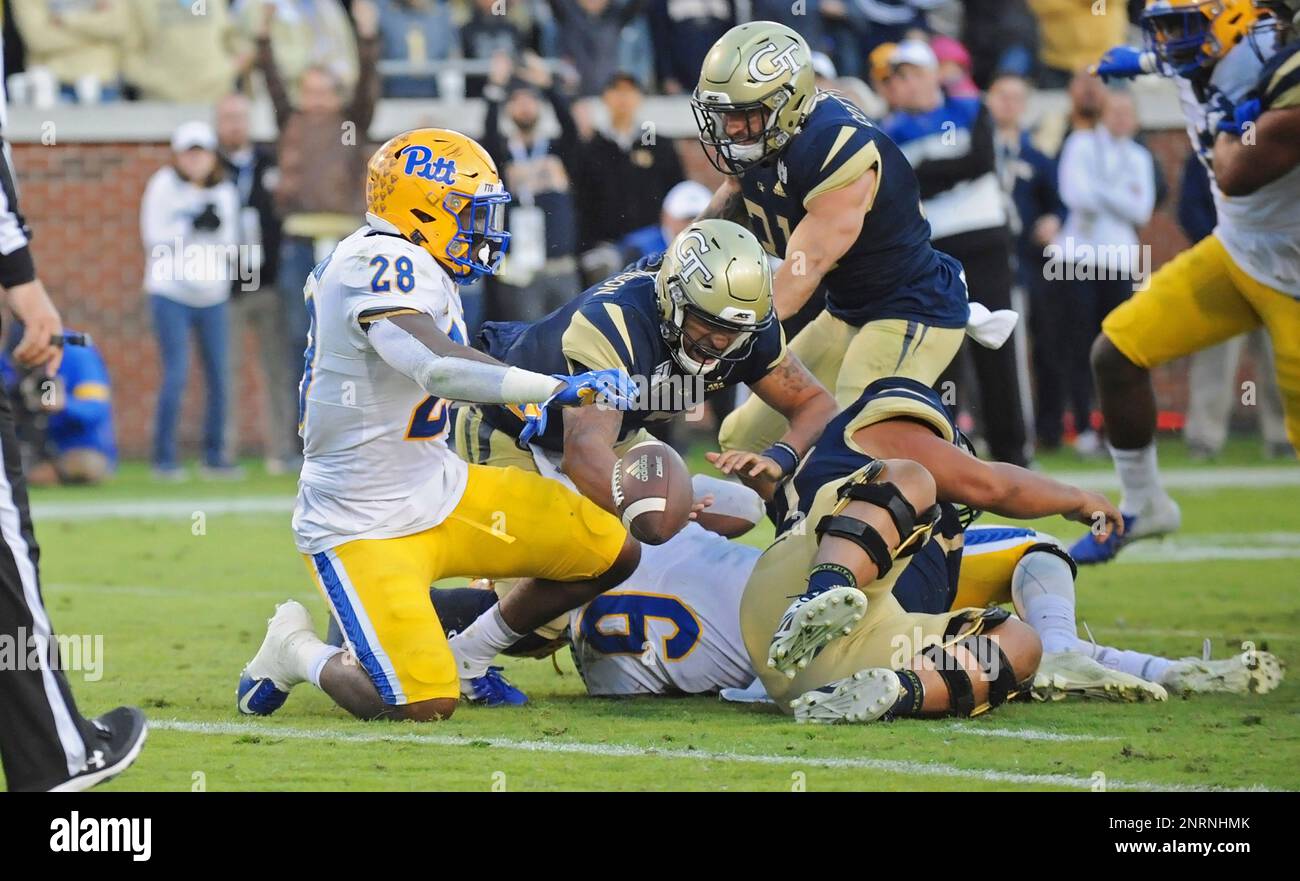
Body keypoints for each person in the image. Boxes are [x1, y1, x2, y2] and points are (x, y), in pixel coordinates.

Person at [236, 128, 644, 721]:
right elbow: (439, 369)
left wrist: (523, 408)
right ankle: (295, 649)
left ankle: (472, 656)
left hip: (444, 491)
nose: (483, 227)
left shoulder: (423, 263)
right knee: (421, 703)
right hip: (361, 522)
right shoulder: (375, 260)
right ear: (418, 209)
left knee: (609, 550)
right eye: (466, 211)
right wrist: (554, 391)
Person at [691, 23, 975, 465]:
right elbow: (726, 207)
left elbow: (803, 270)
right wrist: (672, 273)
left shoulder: (834, 147)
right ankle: (800, 525)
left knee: (858, 434)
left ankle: (943, 508)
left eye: (743, 113)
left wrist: (724, 332)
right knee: (744, 437)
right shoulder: (765, 136)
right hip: (847, 312)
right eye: (722, 113)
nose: (729, 127)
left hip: (911, 307)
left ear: (786, 104)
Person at [1079, 0, 1300, 563]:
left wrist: (1241, 118)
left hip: (1293, 278)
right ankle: (1145, 501)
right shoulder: (1213, 50)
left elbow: (1234, 171)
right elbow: (1199, 59)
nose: (1169, 42)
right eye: (1161, 29)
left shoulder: (1282, 73)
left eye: (1182, 27)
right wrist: (1150, 63)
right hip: (1237, 252)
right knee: (1117, 352)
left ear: (1232, 20)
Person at [454, 220, 837, 516]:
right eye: (709, 324)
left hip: (616, 435)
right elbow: (583, 450)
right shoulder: (617, 322)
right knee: (577, 565)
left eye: (735, 330)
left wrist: (781, 456)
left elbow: (814, 402)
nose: (721, 342)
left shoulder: (750, 329)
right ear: (672, 299)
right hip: (514, 430)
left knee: (739, 511)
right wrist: (647, 509)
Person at [0, 38, 146, 788]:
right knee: (4, 548)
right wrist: (22, 282)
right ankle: (56, 753)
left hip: (74, 445)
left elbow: (74, 416)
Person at [882, 39, 1029, 466]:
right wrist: (943, 172)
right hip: (934, 250)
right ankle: (945, 450)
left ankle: (1012, 451)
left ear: (933, 74)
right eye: (896, 78)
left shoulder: (969, 108)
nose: (902, 84)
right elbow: (902, 184)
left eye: (909, 73)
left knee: (998, 344)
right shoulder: (888, 130)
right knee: (940, 352)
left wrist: (927, 171)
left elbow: (979, 161)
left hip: (984, 240)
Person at [255, 0, 380, 463]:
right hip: (299, 241)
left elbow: (369, 83)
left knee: (351, 339)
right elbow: (269, 80)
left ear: (336, 92)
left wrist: (367, 37)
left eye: (321, 89)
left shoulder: (351, 121)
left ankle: (354, 440)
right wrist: (264, 34)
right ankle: (298, 442)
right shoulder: (290, 121)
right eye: (306, 90)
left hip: (344, 242)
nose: (313, 98)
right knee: (298, 340)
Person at [1051, 88, 1156, 457]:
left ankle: (1117, 430)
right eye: (1116, 111)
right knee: (1079, 343)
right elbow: (1074, 195)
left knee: (1115, 344)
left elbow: (1141, 210)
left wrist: (1101, 192)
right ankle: (1081, 426)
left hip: (1119, 260)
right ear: (1102, 114)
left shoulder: (1139, 156)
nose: (1122, 118)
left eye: (1129, 112)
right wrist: (1116, 194)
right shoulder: (1080, 143)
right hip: (1076, 258)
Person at [141, 121, 244, 480]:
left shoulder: (226, 192)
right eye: (189, 152)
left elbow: (232, 246)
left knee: (219, 375)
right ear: (179, 155)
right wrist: (190, 226)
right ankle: (164, 458)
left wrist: (212, 229)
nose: (196, 160)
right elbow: (154, 239)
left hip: (213, 294)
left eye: (202, 152)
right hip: (170, 292)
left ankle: (215, 457)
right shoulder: (162, 187)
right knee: (177, 373)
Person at [1177, 150, 1292, 460]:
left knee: (1277, 355)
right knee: (1216, 360)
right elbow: (1190, 208)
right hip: (1223, 269)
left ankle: (1283, 435)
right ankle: (1204, 437)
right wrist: (1221, 249)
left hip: (1271, 268)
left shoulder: (1277, 148)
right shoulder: (1204, 153)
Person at [215, 92, 296, 474]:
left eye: (240, 117)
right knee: (225, 370)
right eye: (227, 118)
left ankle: (281, 450)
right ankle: (223, 451)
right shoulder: (210, 164)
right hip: (226, 286)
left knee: (278, 369)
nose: (234, 125)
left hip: (270, 280)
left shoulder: (270, 161)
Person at [987, 73, 1068, 450]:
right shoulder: (978, 149)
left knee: (1041, 346)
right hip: (983, 261)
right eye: (1001, 96)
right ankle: (986, 428)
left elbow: (1057, 202)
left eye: (1017, 97)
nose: (1008, 104)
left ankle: (1042, 431)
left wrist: (1053, 220)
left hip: (1027, 264)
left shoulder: (1033, 156)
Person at [478, 52, 584, 323]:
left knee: (569, 339)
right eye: (516, 101)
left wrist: (549, 87)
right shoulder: (502, 152)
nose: (524, 106)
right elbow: (486, 140)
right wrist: (494, 89)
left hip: (560, 265)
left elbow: (571, 130)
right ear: (507, 109)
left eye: (530, 100)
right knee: (526, 342)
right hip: (520, 269)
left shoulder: (558, 148)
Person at [577, 72, 684, 280]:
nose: (623, 98)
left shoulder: (655, 142)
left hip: (653, 246)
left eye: (629, 92)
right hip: (606, 248)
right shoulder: (592, 147)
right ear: (605, 98)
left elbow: (676, 191)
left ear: (640, 98)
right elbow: (581, 202)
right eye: (616, 91)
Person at [0, 327, 116, 486]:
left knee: (87, 465)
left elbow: (96, 408)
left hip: (75, 447)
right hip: (25, 444)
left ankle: (49, 471)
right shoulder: (8, 361)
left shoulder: (78, 353)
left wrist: (63, 404)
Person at [11, 0, 132, 102]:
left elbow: (119, 25)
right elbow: (38, 39)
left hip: (105, 89)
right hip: (48, 91)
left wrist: (64, 19)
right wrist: (98, 34)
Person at [124, 0, 242, 102]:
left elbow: (232, 39)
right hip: (159, 102)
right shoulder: (138, 3)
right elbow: (127, 51)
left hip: (216, 99)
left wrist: (228, 70)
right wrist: (155, 81)